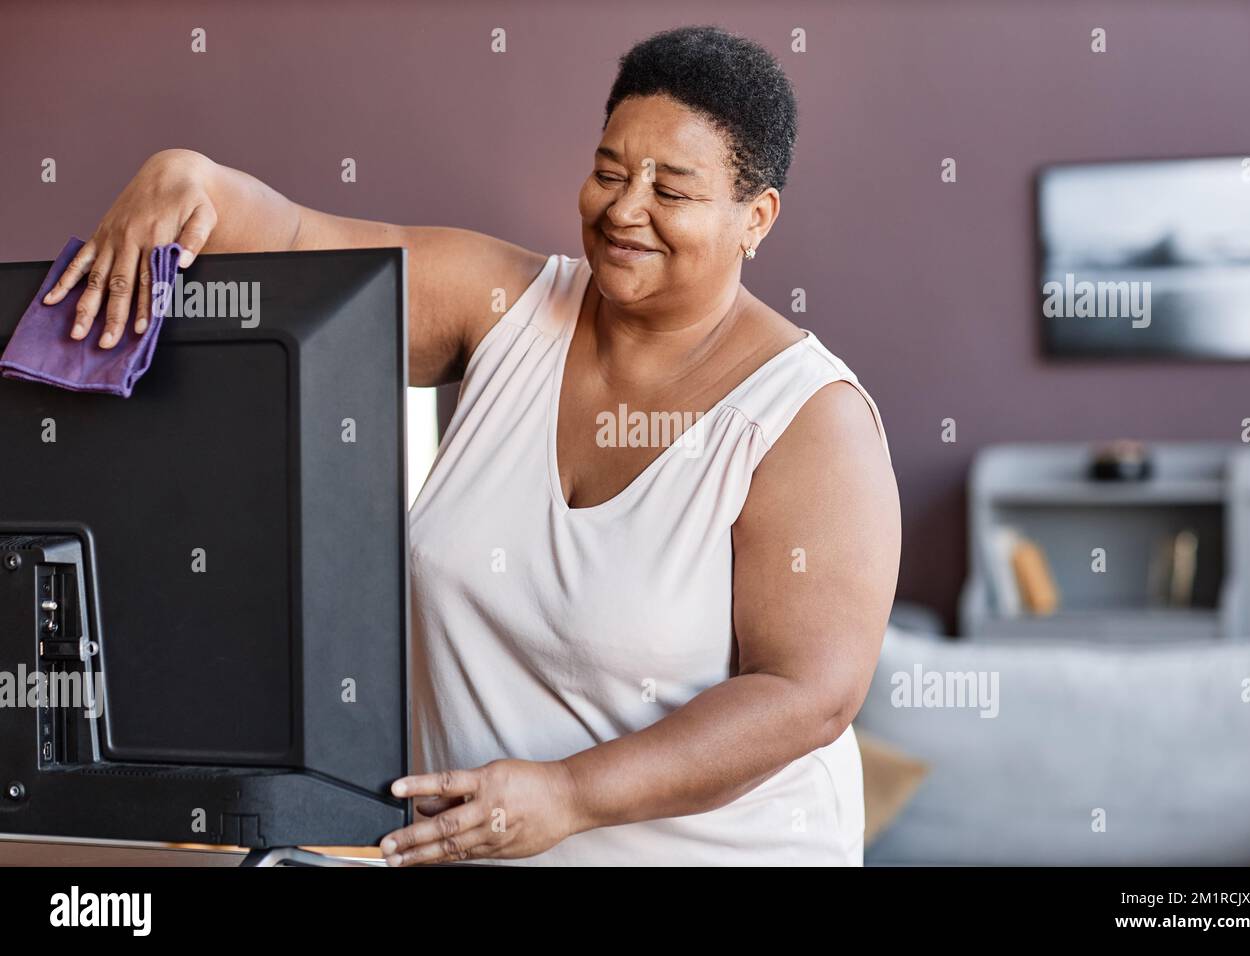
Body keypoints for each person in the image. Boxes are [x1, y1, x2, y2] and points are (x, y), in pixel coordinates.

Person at [42, 25, 900, 865]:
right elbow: (298, 243)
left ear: (756, 218)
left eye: (671, 191)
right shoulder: (503, 307)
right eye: (608, 171)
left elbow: (806, 696)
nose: (624, 208)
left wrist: (570, 794)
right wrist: (189, 179)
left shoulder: (809, 419)